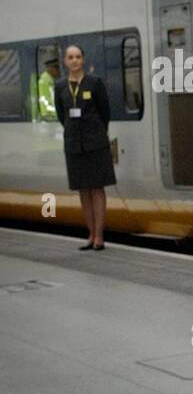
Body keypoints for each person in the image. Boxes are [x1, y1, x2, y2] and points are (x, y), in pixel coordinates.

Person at [54, 44, 115, 250]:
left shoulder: (95, 83)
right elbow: (61, 115)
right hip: (74, 144)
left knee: (97, 188)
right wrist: (74, 132)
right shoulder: (60, 86)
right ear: (65, 61)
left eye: (78, 56)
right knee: (83, 190)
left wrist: (96, 132)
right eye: (70, 57)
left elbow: (105, 112)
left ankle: (99, 236)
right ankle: (90, 234)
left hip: (95, 143)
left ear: (83, 59)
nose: (74, 60)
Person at [35, 57, 59, 122]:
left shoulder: (49, 79)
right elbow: (46, 99)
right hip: (48, 116)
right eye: (56, 67)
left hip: (50, 115)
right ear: (50, 68)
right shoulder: (46, 81)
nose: (58, 70)